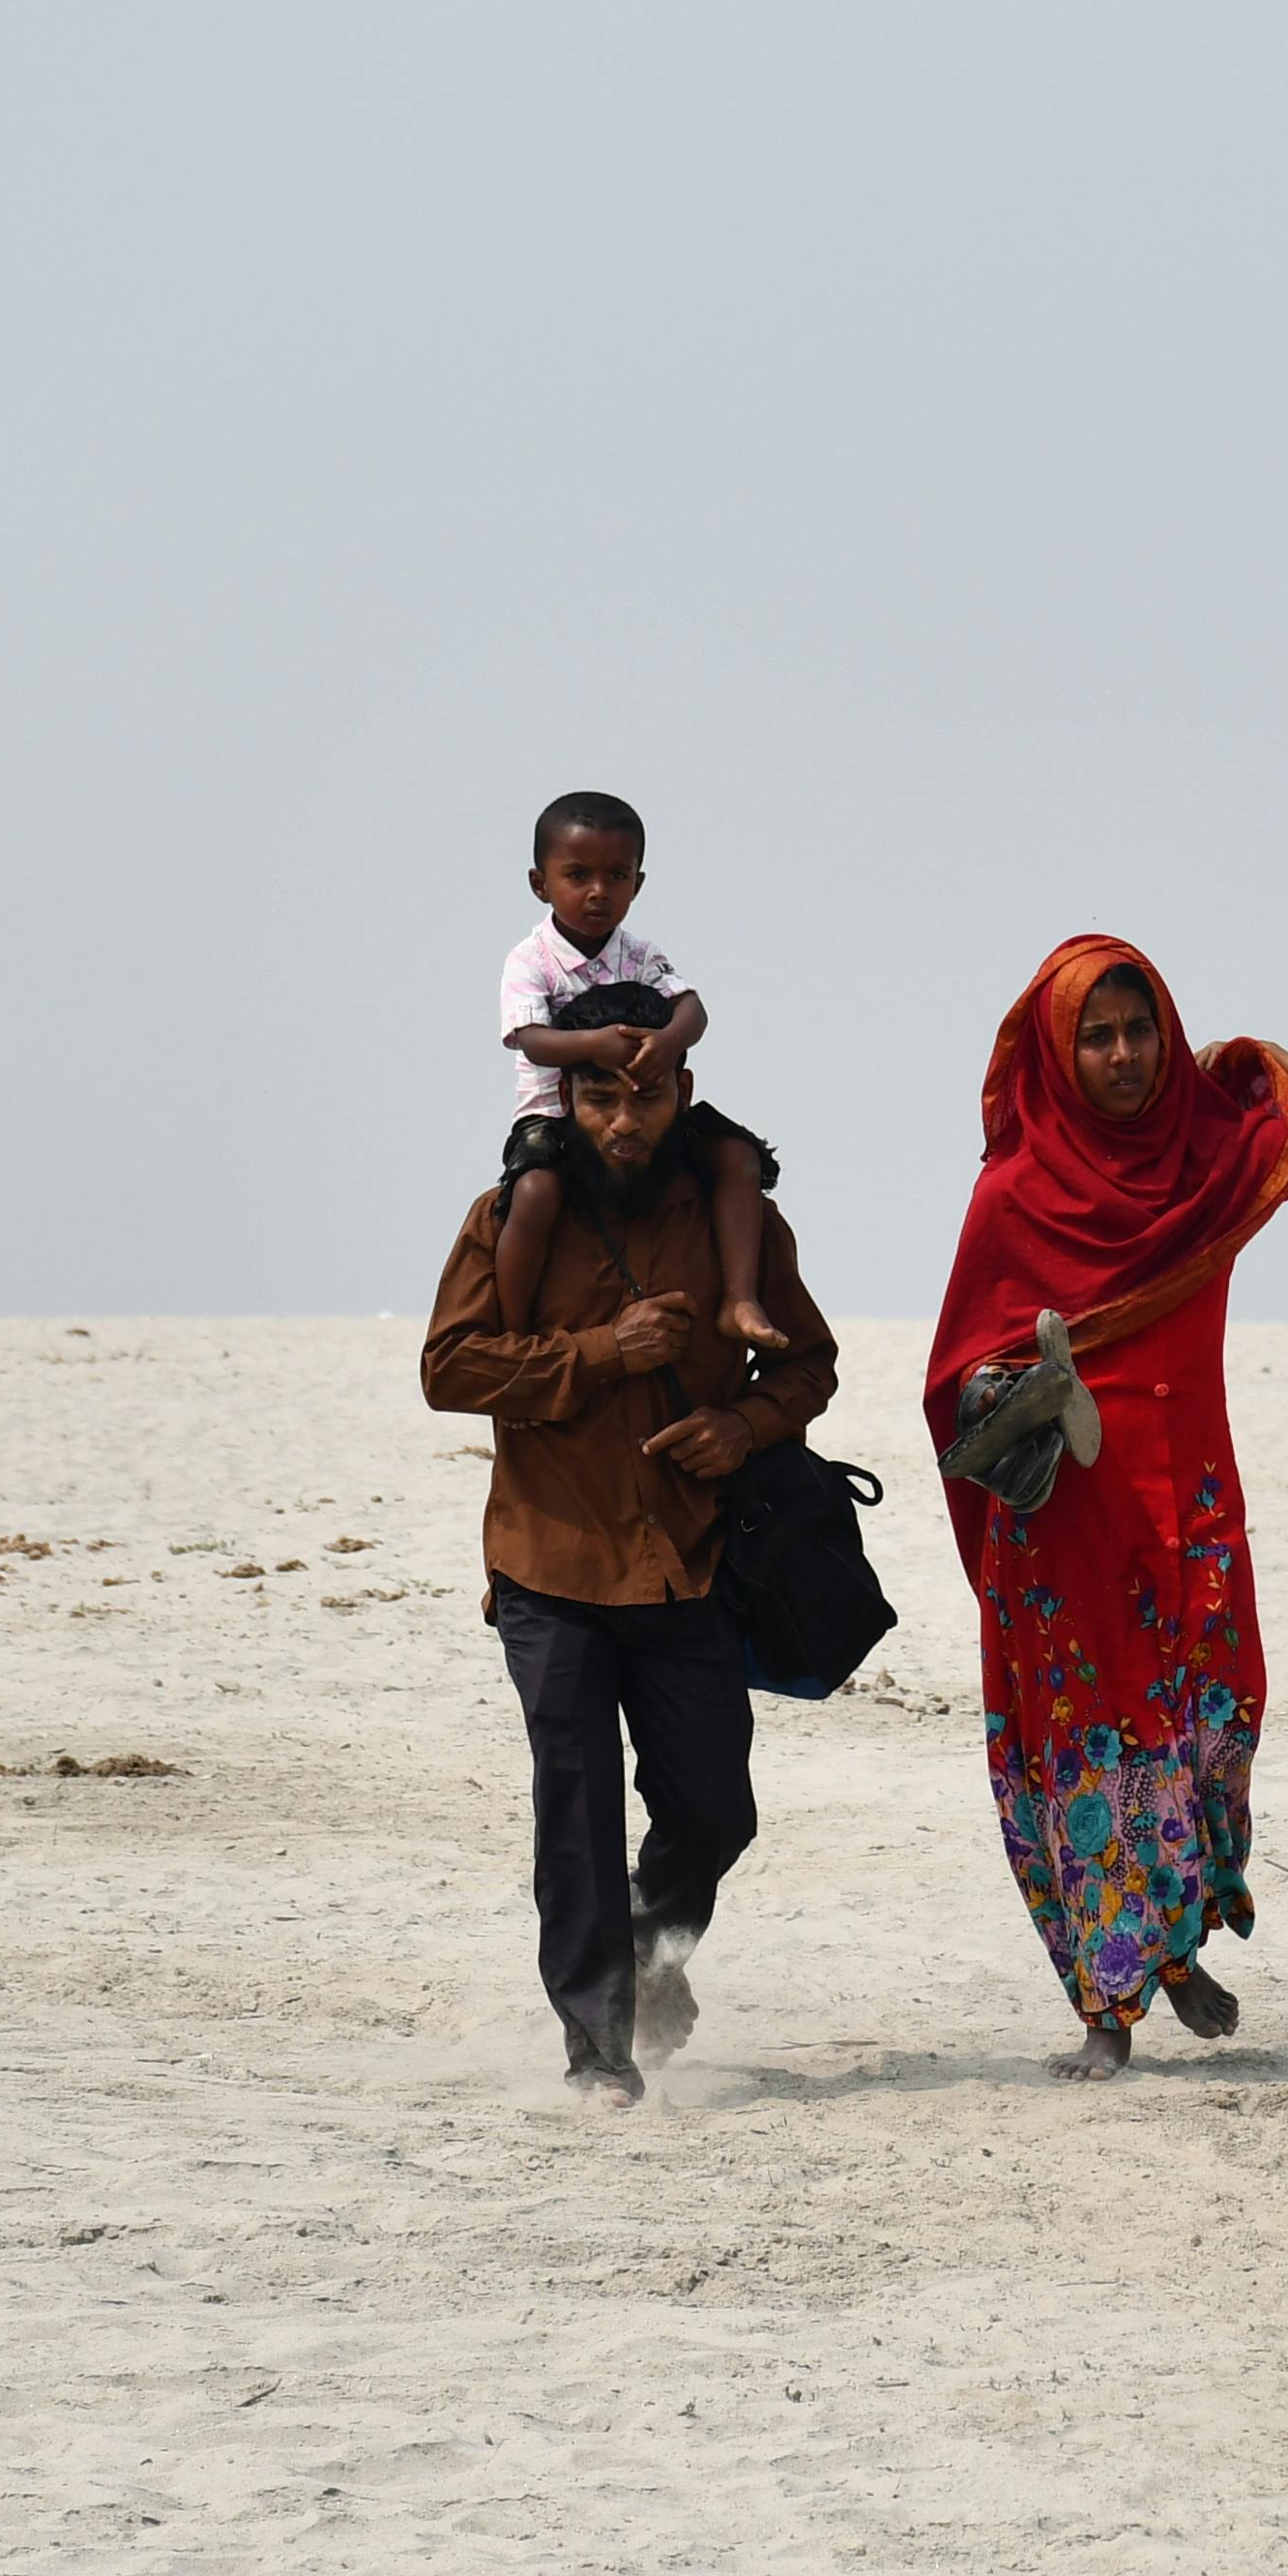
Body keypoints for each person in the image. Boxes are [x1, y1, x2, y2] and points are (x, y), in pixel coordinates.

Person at [922, 935, 1288, 2082]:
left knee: (1211, 1723)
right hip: (1072, 1527)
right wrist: (1002, 1390)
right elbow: (953, 1381)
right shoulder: (1014, 1196)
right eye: (1099, 1035)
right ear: (1058, 1049)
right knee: (1093, 1750)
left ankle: (1177, 1950)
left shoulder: (1215, 1158)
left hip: (1193, 1509)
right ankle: (1107, 2006)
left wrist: (1267, 1062)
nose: (1128, 1054)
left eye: (1143, 1029)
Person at [421, 983, 843, 2106]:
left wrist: (741, 1424)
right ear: (565, 1099)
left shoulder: (733, 1222)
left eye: (645, 1095)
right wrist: (604, 1351)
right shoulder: (514, 1213)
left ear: (683, 1093)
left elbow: (809, 1364)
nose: (622, 1120)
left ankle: (655, 1941)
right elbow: (449, 1370)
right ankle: (597, 2048)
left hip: (685, 1563)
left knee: (715, 1808)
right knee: (577, 1801)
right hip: (546, 1562)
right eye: (599, 1095)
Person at [492, 791, 785, 1357]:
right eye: (577, 874)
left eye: (616, 875)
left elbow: (693, 1009)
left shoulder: (641, 954)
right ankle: (513, 1330)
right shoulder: (530, 961)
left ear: (638, 883)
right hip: (556, 1112)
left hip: (649, 1103)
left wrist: (669, 1041)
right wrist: (594, 1046)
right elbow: (530, 1040)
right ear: (539, 883)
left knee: (738, 1158)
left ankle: (740, 1297)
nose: (598, 891)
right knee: (533, 1193)